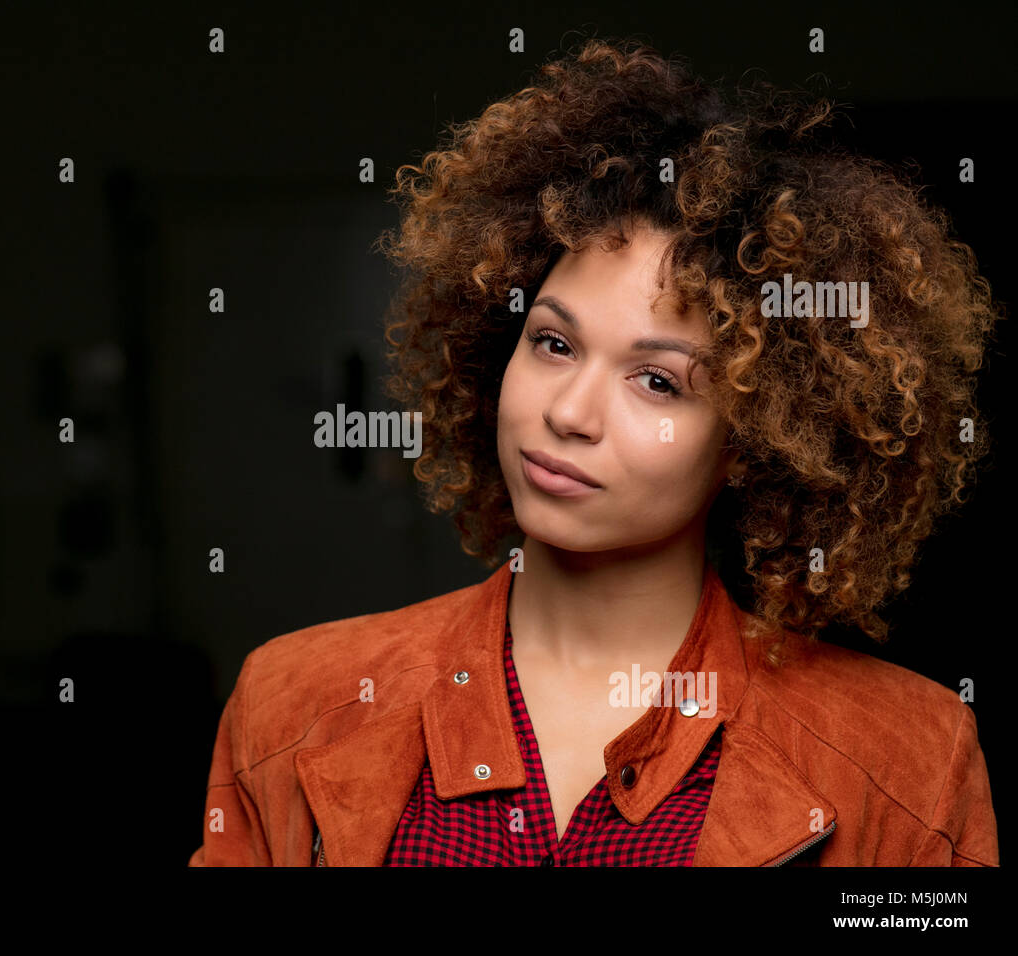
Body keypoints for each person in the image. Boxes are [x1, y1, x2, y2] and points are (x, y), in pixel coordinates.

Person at [189, 38, 1000, 866]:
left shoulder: (910, 759)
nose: (570, 413)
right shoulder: (294, 702)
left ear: (758, 440)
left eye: (657, 382)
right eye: (553, 344)